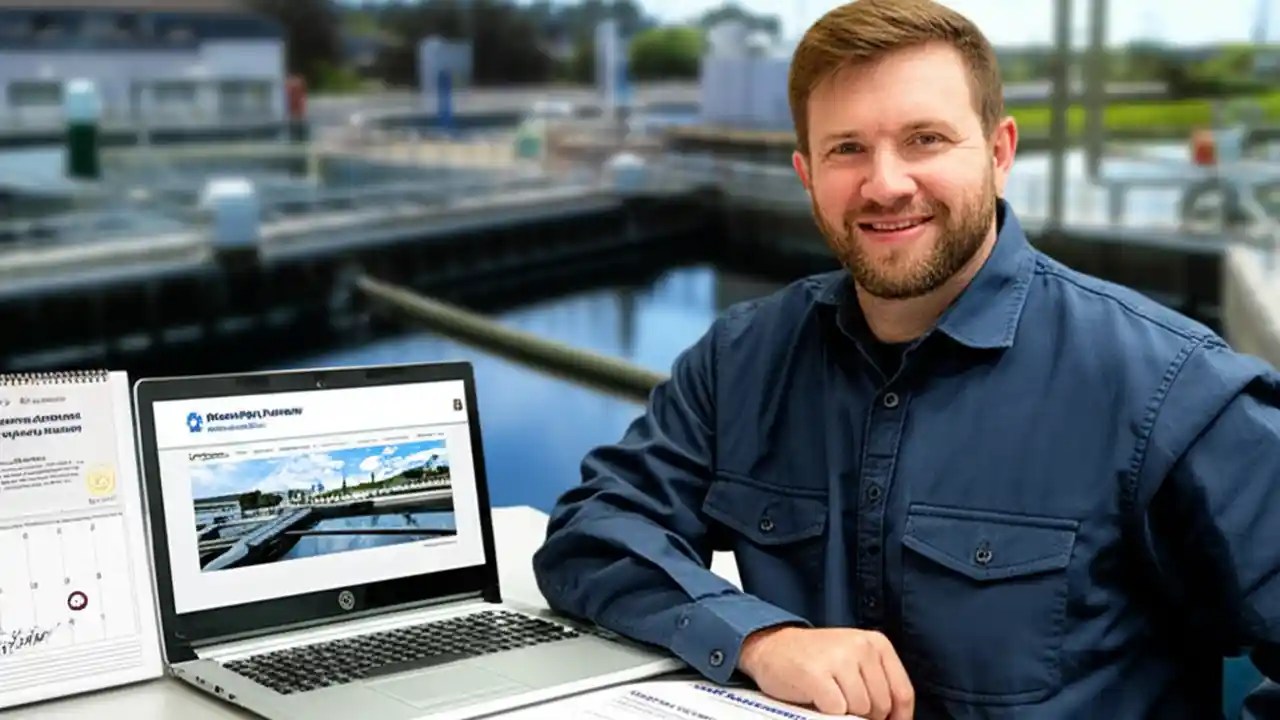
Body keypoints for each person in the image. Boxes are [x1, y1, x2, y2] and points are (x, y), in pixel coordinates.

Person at [531, 0, 1280, 717]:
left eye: (925, 139)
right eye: (847, 149)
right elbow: (593, 534)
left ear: (999, 151)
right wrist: (759, 637)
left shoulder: (1170, 389)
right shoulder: (742, 359)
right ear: (807, 177)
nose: (886, 184)